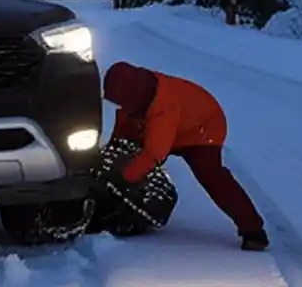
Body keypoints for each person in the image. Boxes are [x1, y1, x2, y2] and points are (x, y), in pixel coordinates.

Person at [101, 60, 270, 251]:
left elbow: (155, 153)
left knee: (212, 177)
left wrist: (124, 178)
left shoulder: (163, 105)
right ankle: (120, 203)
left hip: (203, 127)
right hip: (176, 122)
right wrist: (109, 158)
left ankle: (253, 230)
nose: (120, 105)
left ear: (131, 95)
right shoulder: (139, 91)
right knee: (129, 152)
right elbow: (123, 128)